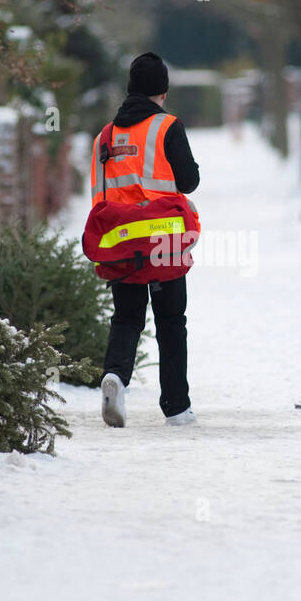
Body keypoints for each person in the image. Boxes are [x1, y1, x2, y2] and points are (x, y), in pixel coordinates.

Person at [92, 52, 199, 428]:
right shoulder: (168, 127)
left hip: (122, 242)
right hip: (163, 240)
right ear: (163, 92)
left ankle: (115, 378)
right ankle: (176, 407)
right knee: (171, 321)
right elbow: (188, 181)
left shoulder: (106, 136)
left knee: (126, 318)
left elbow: (99, 197)